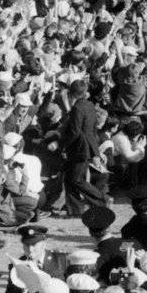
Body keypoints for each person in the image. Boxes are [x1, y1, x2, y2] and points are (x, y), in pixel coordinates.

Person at [58, 78, 107, 216]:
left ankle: (101, 199)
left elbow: (74, 131)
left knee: (76, 179)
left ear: (71, 93)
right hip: (87, 145)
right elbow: (92, 129)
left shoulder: (77, 108)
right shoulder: (89, 105)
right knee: (70, 179)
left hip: (79, 147)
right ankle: (75, 210)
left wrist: (63, 145)